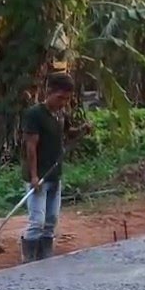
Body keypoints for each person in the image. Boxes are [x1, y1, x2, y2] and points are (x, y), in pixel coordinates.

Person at [20, 72, 86, 263]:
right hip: (38, 176)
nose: (63, 102)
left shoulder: (59, 115)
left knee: (51, 220)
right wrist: (33, 176)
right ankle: (29, 256)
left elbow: (66, 133)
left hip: (54, 174)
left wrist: (81, 130)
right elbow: (30, 147)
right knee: (37, 221)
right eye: (60, 98)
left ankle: (45, 255)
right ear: (49, 92)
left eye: (67, 99)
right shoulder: (34, 115)